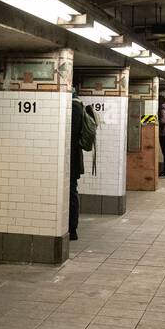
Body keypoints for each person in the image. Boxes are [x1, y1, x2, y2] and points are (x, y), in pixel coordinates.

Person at [68, 95, 96, 241]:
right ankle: (72, 228)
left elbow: (71, 135)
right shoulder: (78, 105)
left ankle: (72, 228)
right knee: (72, 191)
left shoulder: (73, 107)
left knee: (71, 191)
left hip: (70, 158)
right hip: (73, 157)